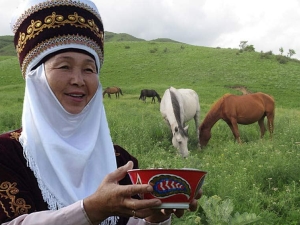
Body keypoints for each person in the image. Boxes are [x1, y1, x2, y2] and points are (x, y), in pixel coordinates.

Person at [0, 0, 203, 224]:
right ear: (36, 78)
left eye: (89, 69)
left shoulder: (120, 161)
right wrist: (91, 210)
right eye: (64, 66)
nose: (78, 80)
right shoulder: (6, 154)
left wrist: (154, 217)